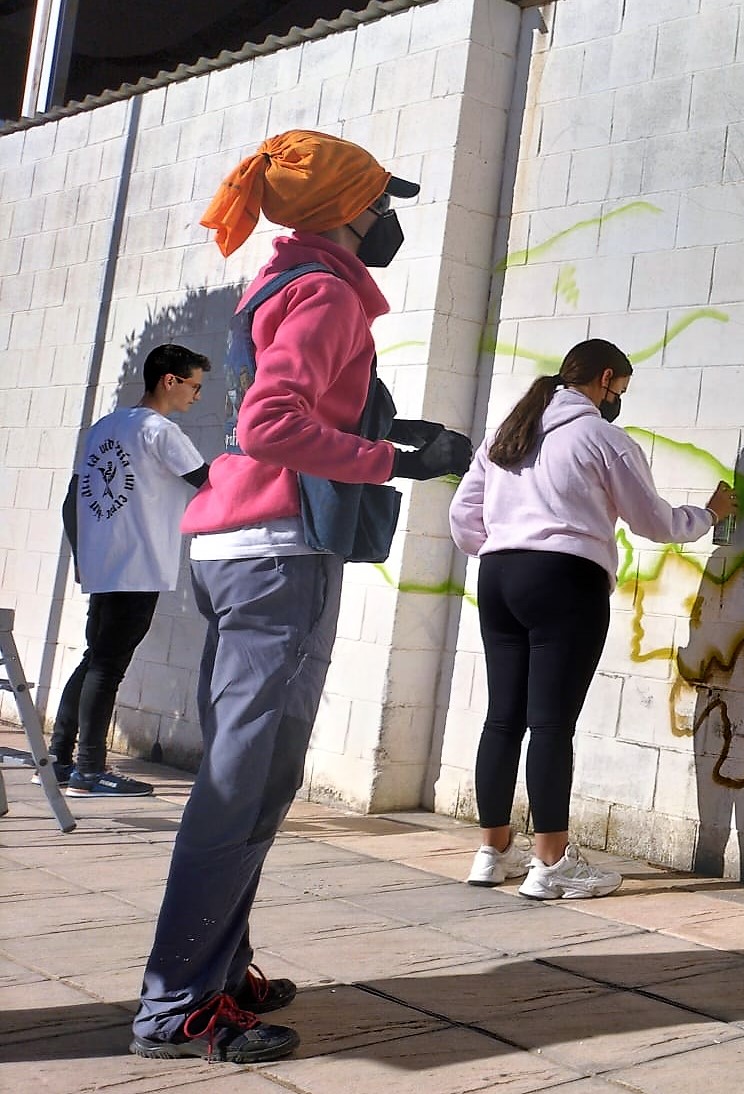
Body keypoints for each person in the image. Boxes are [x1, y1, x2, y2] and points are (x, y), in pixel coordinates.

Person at [130, 130, 472, 1065]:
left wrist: (390, 428)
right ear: (348, 211)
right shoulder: (327, 291)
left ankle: (218, 967)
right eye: (383, 201)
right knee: (242, 789)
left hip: (238, 551)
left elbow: (295, 404)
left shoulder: (282, 281)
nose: (391, 218)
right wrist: (393, 461)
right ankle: (177, 1004)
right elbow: (271, 424)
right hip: (278, 556)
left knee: (249, 780)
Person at [450, 339, 737, 900]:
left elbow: (463, 514)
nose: (618, 400)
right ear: (606, 379)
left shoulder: (510, 430)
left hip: (499, 575)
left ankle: (492, 852)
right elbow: (653, 521)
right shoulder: (601, 438)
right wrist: (708, 514)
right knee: (551, 724)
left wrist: (508, 546)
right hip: (565, 579)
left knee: (502, 718)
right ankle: (551, 863)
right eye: (620, 389)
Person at [45, 344, 212, 797]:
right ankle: (89, 769)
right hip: (139, 565)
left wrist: (85, 558)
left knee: (95, 659)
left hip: (105, 564)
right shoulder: (161, 431)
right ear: (170, 380)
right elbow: (209, 482)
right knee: (108, 666)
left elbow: (72, 500)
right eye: (194, 386)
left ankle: (59, 760)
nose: (197, 396)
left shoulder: (104, 427)